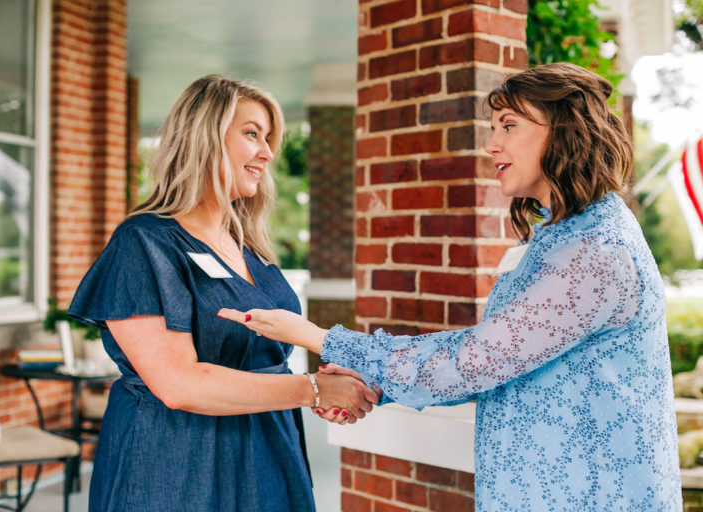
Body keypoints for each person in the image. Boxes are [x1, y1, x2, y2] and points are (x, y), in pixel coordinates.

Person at [219, 63, 682, 510]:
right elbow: (500, 361)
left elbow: (475, 361)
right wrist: (375, 385)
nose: (491, 144)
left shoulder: (593, 254)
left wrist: (317, 337)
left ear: (563, 131)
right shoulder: (560, 236)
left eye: (508, 125)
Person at [68, 75, 378, 512]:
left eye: (269, 138)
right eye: (252, 134)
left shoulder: (251, 246)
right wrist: (310, 389)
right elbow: (178, 384)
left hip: (269, 451)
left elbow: (268, 358)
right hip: (176, 462)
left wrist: (317, 388)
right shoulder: (143, 243)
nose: (267, 153)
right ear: (204, 137)